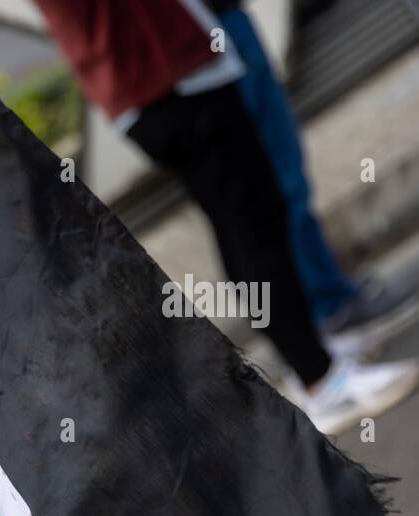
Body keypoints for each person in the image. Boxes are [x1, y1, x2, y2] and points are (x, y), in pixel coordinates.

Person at [33, 0, 419, 435]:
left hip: (164, 78)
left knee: (251, 220)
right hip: (168, 79)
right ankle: (320, 379)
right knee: (252, 225)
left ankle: (314, 359)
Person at [206, 0, 419, 352]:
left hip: (212, 30)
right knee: (272, 179)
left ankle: (328, 306)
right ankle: (327, 313)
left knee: (279, 172)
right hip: (207, 36)